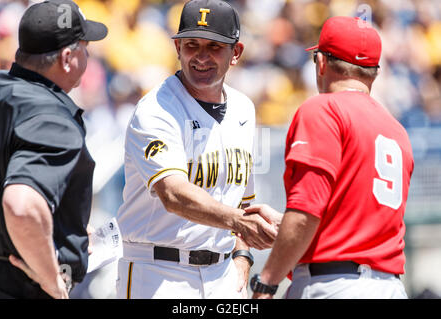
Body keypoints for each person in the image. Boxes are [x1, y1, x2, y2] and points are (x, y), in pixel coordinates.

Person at [116, 0, 281, 299]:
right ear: (178, 48)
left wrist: (243, 256)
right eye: (192, 44)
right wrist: (238, 222)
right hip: (158, 271)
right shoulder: (156, 110)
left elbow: (243, 198)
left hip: (222, 273)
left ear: (236, 53)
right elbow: (174, 195)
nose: (201, 56)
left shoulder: (244, 108)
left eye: (214, 46)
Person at [248, 16, 414, 299]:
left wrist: (267, 282)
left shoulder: (323, 109)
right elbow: (347, 220)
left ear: (322, 63)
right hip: (390, 287)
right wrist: (284, 224)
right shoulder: (397, 130)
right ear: (373, 72)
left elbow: (306, 211)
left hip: (332, 286)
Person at [0, 0, 107, 299]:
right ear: (67, 58)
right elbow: (22, 206)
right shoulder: (54, 120)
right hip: (19, 286)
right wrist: (51, 279)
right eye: (85, 46)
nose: (89, 54)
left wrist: (66, 230)